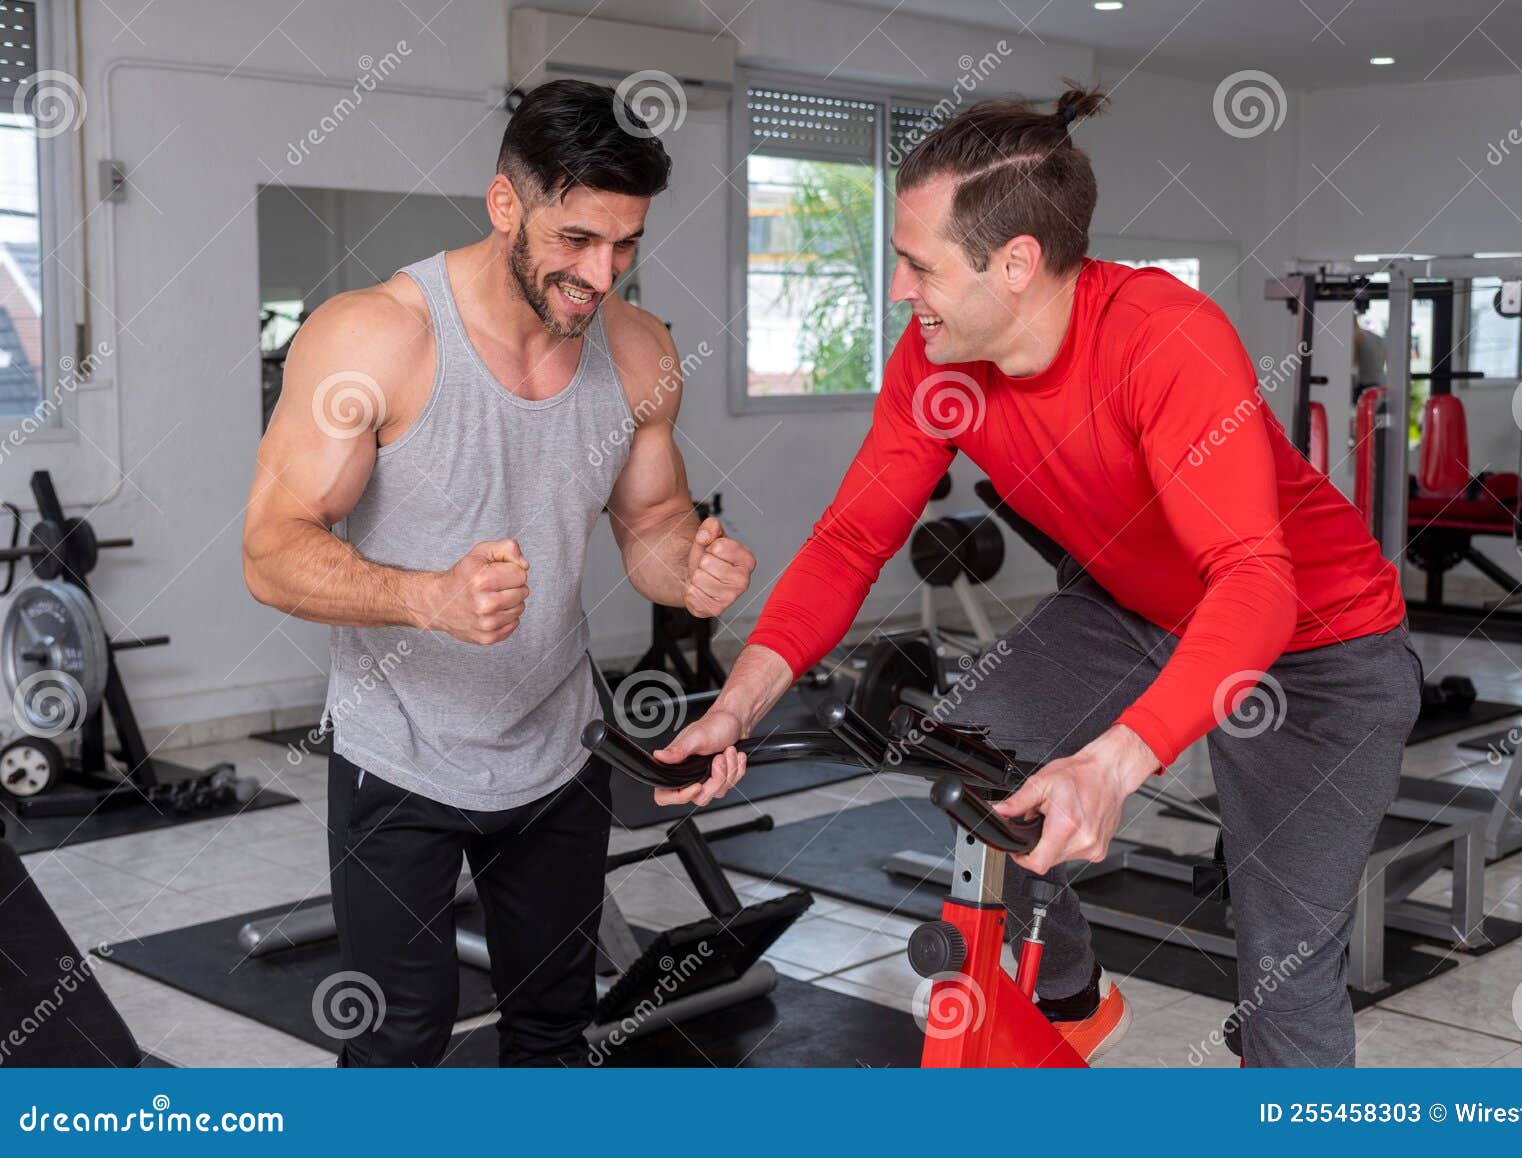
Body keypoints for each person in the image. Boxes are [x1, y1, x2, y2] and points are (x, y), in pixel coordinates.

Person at [657, 87, 1420, 1067]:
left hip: (1321, 646)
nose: (898, 290)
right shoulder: (936, 361)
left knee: (1281, 969)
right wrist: (736, 707)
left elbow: (1252, 579)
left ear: (1012, 264)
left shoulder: (1161, 338)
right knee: (972, 766)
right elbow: (851, 541)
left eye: (916, 264)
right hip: (1131, 607)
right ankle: (1066, 995)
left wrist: (1112, 763)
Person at [242, 80, 755, 1067]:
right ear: (504, 205)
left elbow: (648, 528)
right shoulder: (376, 337)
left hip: (558, 752)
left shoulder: (640, 353)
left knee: (555, 1028)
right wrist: (424, 595)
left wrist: (687, 569)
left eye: (625, 244)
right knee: (400, 1037)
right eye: (575, 241)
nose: (601, 274)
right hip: (401, 753)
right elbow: (270, 549)